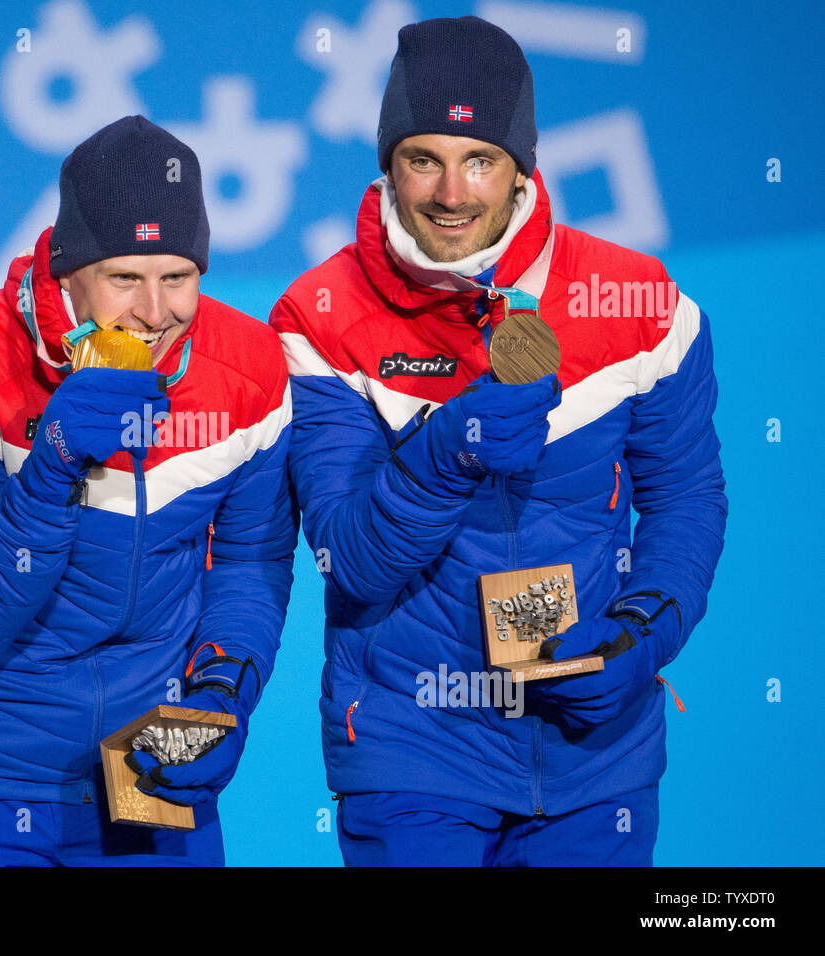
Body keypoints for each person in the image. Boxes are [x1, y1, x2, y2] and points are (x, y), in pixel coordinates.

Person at [270, 16, 727, 866]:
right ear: (387, 164)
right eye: (424, 158)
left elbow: (686, 497)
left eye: (480, 159)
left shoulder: (639, 301)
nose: (452, 192)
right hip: (415, 744)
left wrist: (640, 632)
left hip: (600, 750)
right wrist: (449, 453)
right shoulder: (320, 317)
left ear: (522, 165)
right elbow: (350, 560)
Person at [0, 116, 294, 866]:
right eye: (125, 279)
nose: (156, 312)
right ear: (67, 273)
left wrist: (221, 696)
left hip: (152, 779)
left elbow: (248, 563)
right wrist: (55, 465)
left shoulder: (249, 366)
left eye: (179, 277)